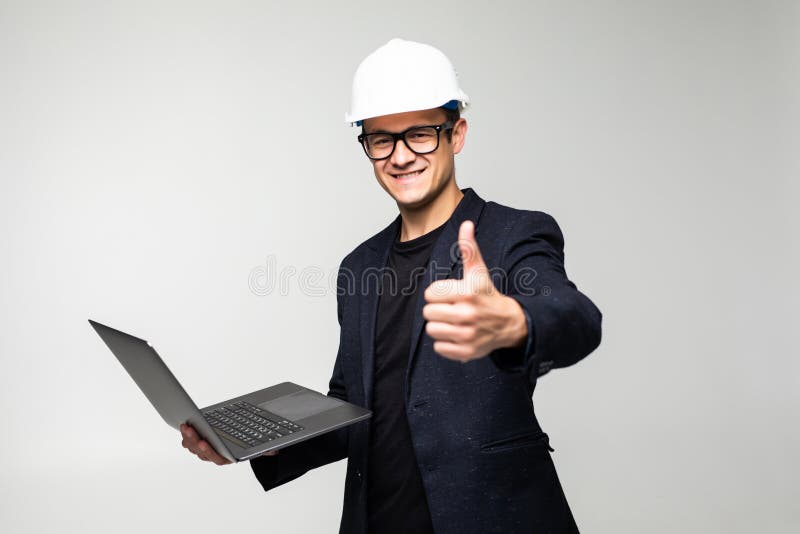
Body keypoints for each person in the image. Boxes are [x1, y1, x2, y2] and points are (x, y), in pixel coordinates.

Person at [180, 38, 602, 534]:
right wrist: (265, 440)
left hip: (491, 516)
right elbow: (353, 410)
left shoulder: (513, 234)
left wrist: (514, 323)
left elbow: (575, 317)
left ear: (457, 133)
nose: (401, 156)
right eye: (382, 139)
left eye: (420, 134)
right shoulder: (358, 266)